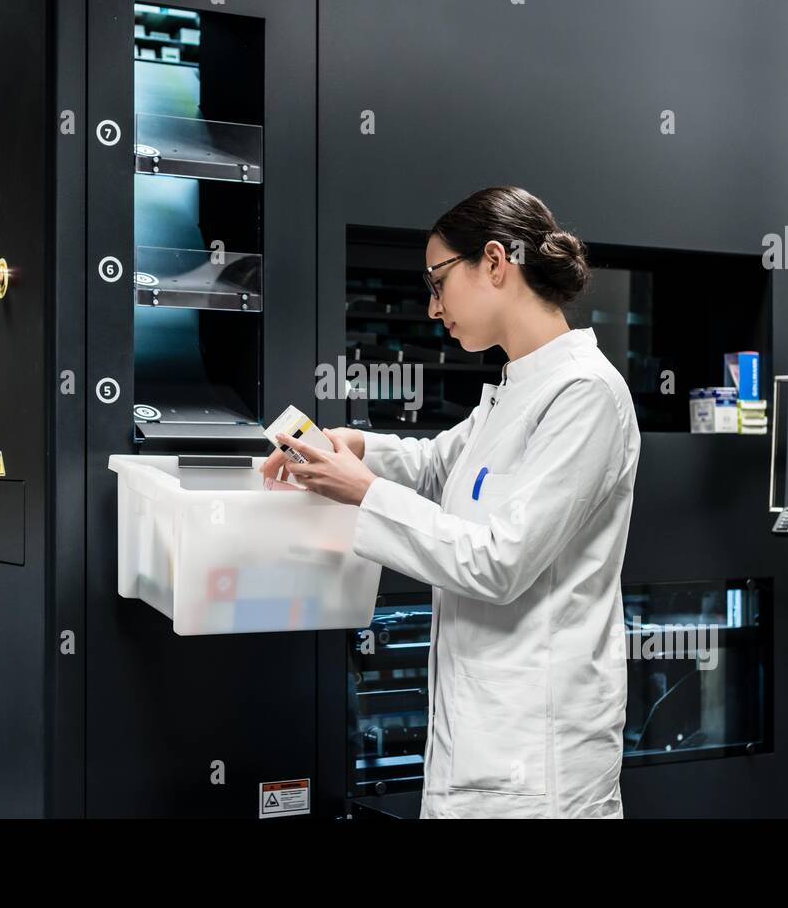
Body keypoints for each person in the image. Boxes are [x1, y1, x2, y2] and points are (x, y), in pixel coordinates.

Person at [260, 186, 641, 818]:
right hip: (479, 739)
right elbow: (440, 465)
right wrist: (352, 444)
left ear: (495, 262)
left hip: (541, 755)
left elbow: (500, 561)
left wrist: (363, 491)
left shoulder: (586, 395)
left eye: (438, 282)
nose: (434, 308)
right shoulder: (515, 387)